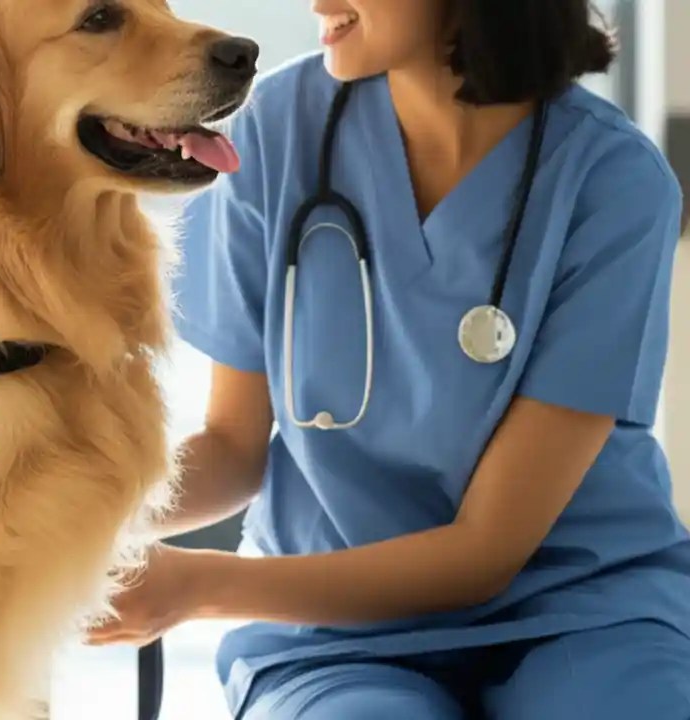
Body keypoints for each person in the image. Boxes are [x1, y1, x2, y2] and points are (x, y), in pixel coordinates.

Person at [86, 1, 690, 718]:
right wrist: (74, 521)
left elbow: (485, 551)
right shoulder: (275, 132)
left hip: (582, 612)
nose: (319, 2)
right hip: (332, 634)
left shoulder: (612, 179)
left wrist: (197, 585)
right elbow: (230, 450)